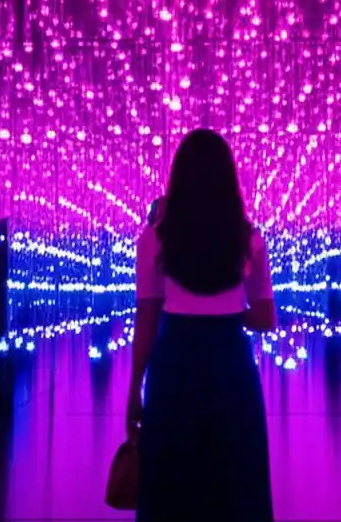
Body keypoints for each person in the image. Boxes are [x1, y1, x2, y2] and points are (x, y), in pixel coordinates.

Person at [127, 129, 276, 522]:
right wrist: (229, 314)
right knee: (234, 483)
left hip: (175, 364)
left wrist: (133, 389)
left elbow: (147, 317)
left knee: (173, 485)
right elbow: (266, 318)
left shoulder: (154, 238)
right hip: (231, 366)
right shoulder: (250, 240)